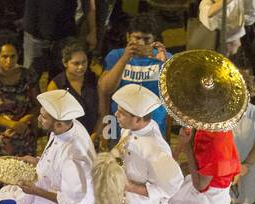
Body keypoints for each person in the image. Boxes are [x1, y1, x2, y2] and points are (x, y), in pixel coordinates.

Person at [78, 82, 183, 204]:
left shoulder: (155, 148)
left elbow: (170, 187)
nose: (116, 115)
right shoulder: (131, 129)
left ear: (138, 119)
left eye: (122, 113)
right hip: (119, 195)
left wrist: (130, 186)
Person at [0, 33, 38, 189]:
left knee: (23, 178)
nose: (9, 61)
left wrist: (24, 121)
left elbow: (37, 104)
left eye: (13, 56)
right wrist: (12, 125)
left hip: (24, 137)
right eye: (4, 56)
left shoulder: (28, 76)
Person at [100, 12, 169, 141]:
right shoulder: (115, 56)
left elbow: (175, 94)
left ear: (154, 40)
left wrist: (166, 64)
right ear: (128, 37)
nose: (141, 43)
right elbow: (106, 88)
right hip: (120, 126)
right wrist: (125, 58)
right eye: (136, 38)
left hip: (154, 126)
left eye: (146, 39)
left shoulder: (164, 58)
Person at [21, 0, 96, 82]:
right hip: (34, 35)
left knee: (60, 79)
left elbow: (89, 6)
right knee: (30, 78)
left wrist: (92, 31)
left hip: (64, 35)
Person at [47, 39, 101, 139]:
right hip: (66, 137)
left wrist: (94, 136)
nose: (81, 67)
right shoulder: (56, 86)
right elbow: (53, 119)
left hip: (92, 136)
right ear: (65, 63)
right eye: (76, 64)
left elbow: (102, 113)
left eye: (84, 62)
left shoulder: (95, 80)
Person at [232, 69, 255, 204]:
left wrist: (246, 165)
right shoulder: (220, 114)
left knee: (243, 203)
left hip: (246, 169)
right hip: (224, 169)